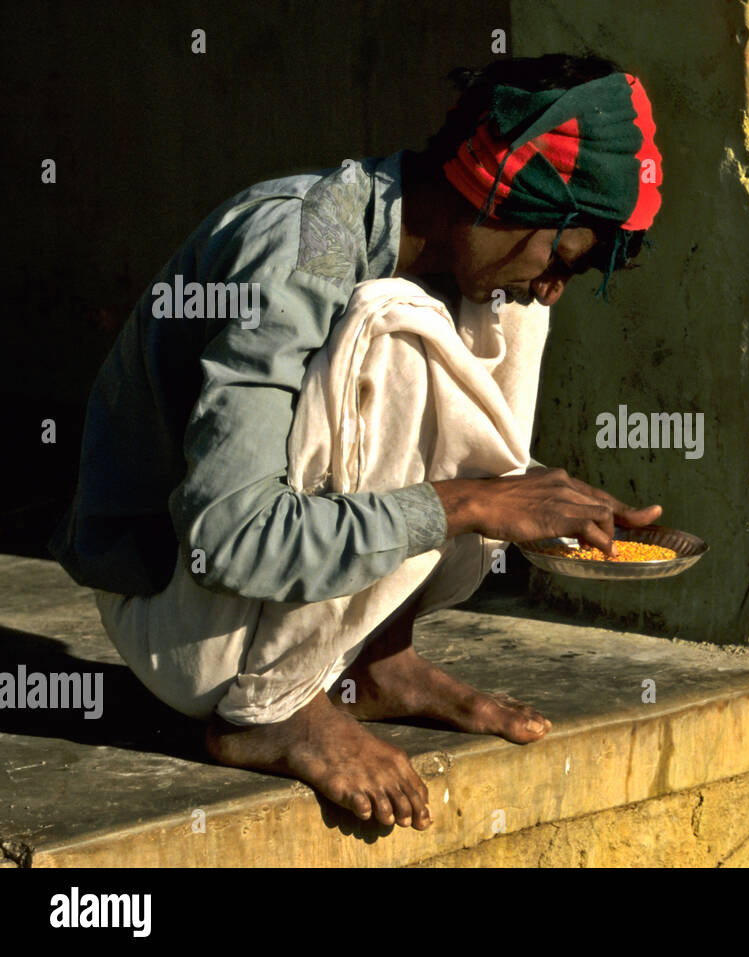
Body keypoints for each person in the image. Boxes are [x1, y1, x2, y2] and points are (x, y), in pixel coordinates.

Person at [48, 53, 665, 830]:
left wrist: (542, 500)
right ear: (498, 190)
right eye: (562, 257)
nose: (553, 285)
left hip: (253, 596)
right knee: (397, 331)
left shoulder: (452, 264)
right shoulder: (306, 249)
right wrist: (473, 502)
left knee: (505, 310)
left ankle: (377, 655)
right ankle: (272, 707)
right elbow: (232, 535)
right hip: (189, 616)